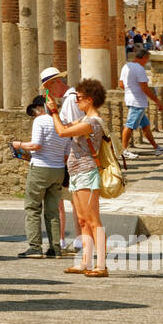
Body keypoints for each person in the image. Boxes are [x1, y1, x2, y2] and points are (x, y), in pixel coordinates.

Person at [49, 78, 109, 277]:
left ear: (90, 100)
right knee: (83, 220)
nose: (77, 101)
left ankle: (101, 265)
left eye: (80, 98)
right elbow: (65, 125)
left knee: (93, 220)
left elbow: (62, 131)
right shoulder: (84, 120)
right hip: (77, 173)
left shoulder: (92, 122)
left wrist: (54, 112)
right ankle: (85, 262)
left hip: (87, 173)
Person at [11, 82, 69, 259]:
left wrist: (18, 145)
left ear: (39, 107)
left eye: (35, 110)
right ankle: (55, 248)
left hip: (40, 169)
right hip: (58, 169)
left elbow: (36, 145)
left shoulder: (41, 121)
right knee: (52, 211)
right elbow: (66, 153)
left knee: (33, 207)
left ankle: (35, 247)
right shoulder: (63, 122)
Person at [36, 66, 79, 252]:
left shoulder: (70, 100)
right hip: (70, 156)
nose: (48, 93)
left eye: (48, 88)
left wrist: (54, 115)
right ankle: (76, 239)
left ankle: (80, 239)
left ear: (56, 83)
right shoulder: (70, 99)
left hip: (73, 157)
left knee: (76, 201)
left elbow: (72, 131)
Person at [118, 50, 163, 160]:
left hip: (130, 99)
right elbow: (145, 88)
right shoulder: (140, 69)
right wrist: (157, 101)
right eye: (147, 59)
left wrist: (131, 88)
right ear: (144, 57)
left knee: (145, 126)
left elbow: (121, 84)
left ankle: (156, 147)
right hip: (138, 102)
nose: (147, 62)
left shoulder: (126, 66)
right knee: (130, 125)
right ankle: (123, 150)